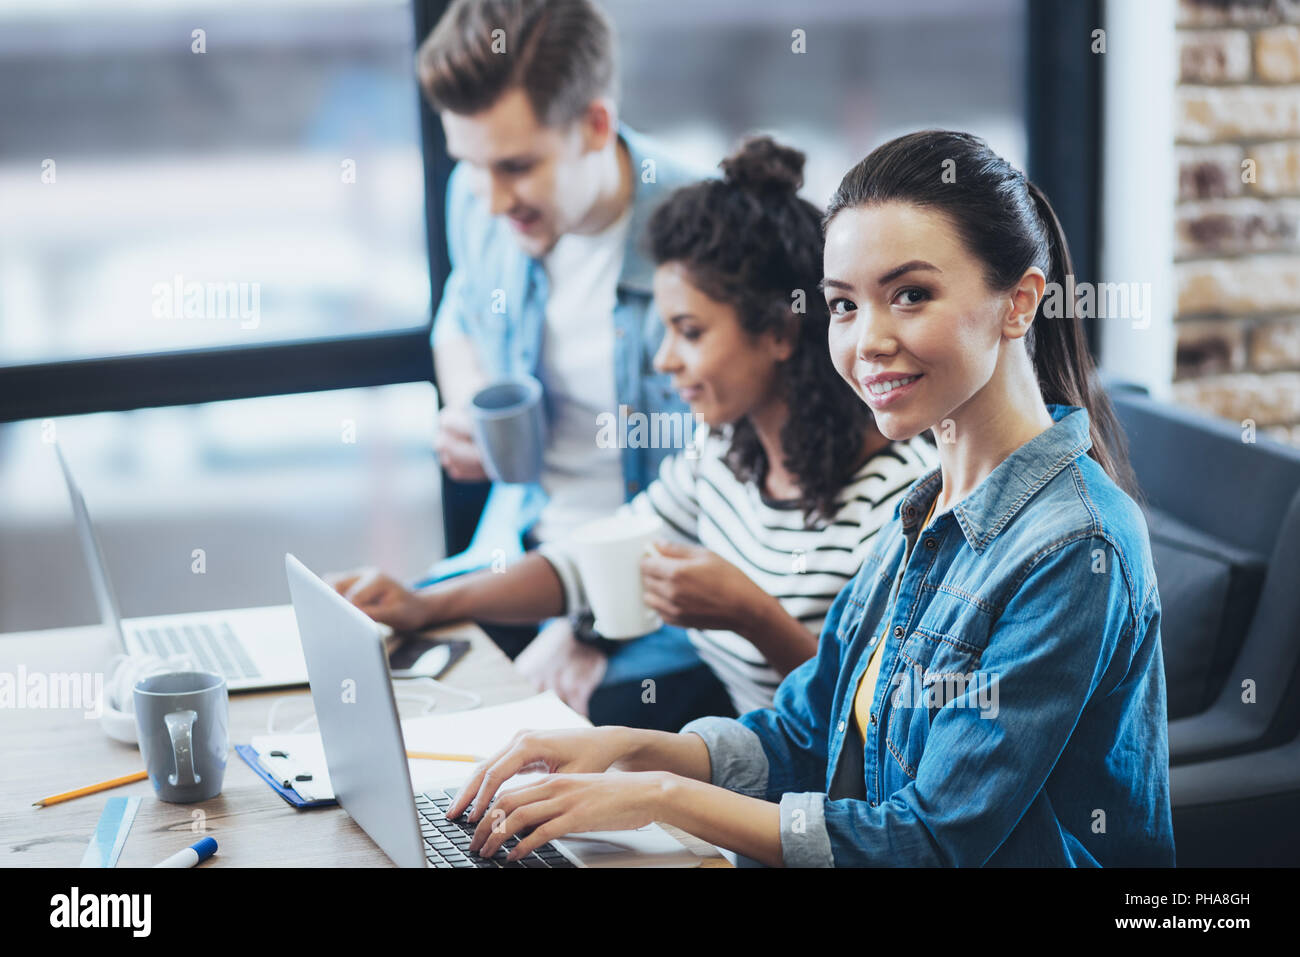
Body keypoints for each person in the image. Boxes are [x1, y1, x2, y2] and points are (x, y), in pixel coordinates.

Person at [439, 130, 1176, 867]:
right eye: (845, 306)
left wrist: (662, 794)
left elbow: (931, 841)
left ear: (1019, 303)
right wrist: (623, 748)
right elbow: (807, 728)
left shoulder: (1077, 546)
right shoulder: (927, 510)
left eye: (910, 295)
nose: (868, 341)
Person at [332, 136, 938, 730]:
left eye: (690, 332)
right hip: (752, 767)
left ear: (779, 333)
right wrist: (426, 603)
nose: (664, 360)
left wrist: (750, 615)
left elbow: (870, 719)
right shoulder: (724, 457)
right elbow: (581, 564)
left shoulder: (899, 500)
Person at [370, 0, 713, 708]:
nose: (493, 200)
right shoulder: (479, 199)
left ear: (595, 124)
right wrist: (467, 399)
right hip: (521, 552)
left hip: (657, 603)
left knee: (565, 739)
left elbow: (729, 488)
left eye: (516, 167)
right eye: (472, 166)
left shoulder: (709, 237)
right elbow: (459, 314)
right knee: (384, 666)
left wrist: (589, 627)